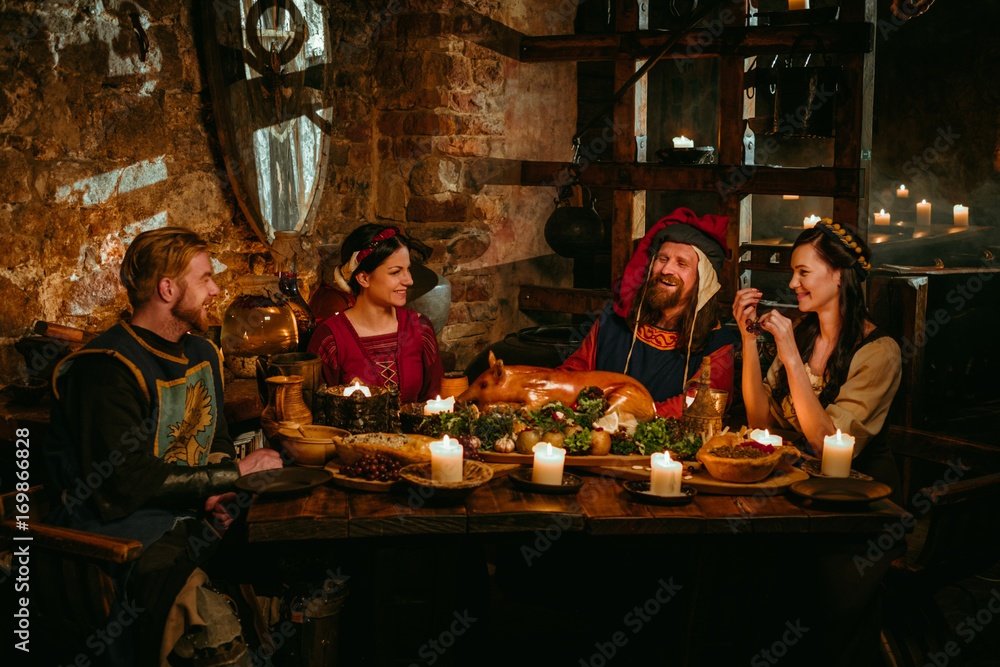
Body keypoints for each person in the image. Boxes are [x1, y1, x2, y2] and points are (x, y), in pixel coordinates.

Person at [44, 226, 283, 665]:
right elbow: (124, 480)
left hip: (191, 513)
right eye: (205, 278)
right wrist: (233, 473)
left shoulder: (203, 353)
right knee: (213, 629)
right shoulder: (106, 369)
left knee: (288, 563)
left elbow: (215, 437)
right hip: (122, 533)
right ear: (167, 289)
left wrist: (220, 490)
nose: (216, 290)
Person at [733, 218, 901, 485]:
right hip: (801, 482)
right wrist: (749, 338)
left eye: (803, 272)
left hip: (859, 489)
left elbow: (825, 446)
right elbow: (760, 422)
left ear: (839, 275)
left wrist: (792, 359)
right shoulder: (802, 333)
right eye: (793, 272)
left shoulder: (879, 352)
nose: (792, 283)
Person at [559, 207, 737, 417]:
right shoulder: (613, 320)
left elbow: (700, 403)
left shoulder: (718, 345)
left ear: (703, 279)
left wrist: (629, 416)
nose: (666, 270)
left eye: (681, 264)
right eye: (662, 259)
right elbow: (573, 373)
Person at [308, 223, 443, 403]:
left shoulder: (421, 329)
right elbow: (318, 412)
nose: (409, 280)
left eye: (408, 269)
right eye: (396, 272)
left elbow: (435, 402)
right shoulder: (329, 339)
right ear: (363, 278)